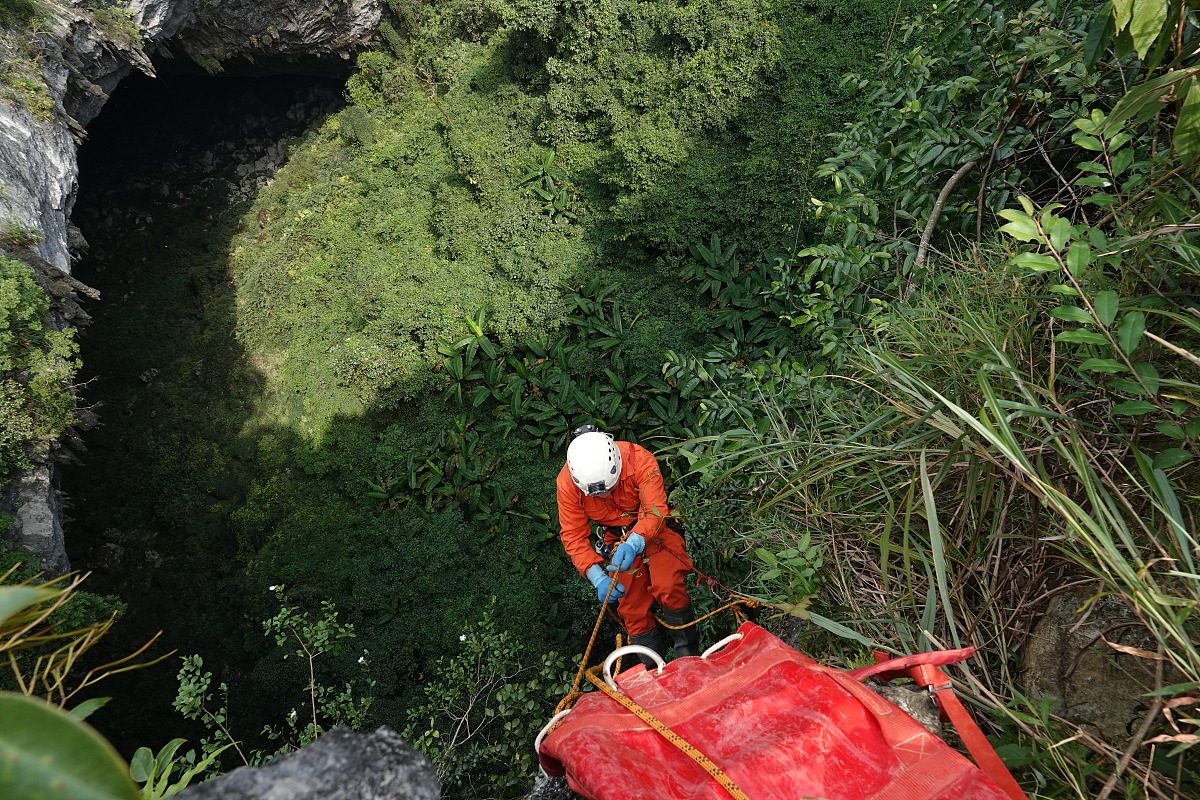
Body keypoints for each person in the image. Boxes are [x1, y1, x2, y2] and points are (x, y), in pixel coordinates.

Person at [555, 426, 698, 667]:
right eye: (597, 495)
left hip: (656, 529)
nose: (603, 497)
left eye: (609, 490)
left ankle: (689, 657)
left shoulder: (639, 459)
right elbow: (573, 536)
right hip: (616, 539)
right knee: (632, 609)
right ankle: (654, 671)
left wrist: (634, 542)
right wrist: (596, 575)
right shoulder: (568, 484)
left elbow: (656, 511)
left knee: (668, 584)